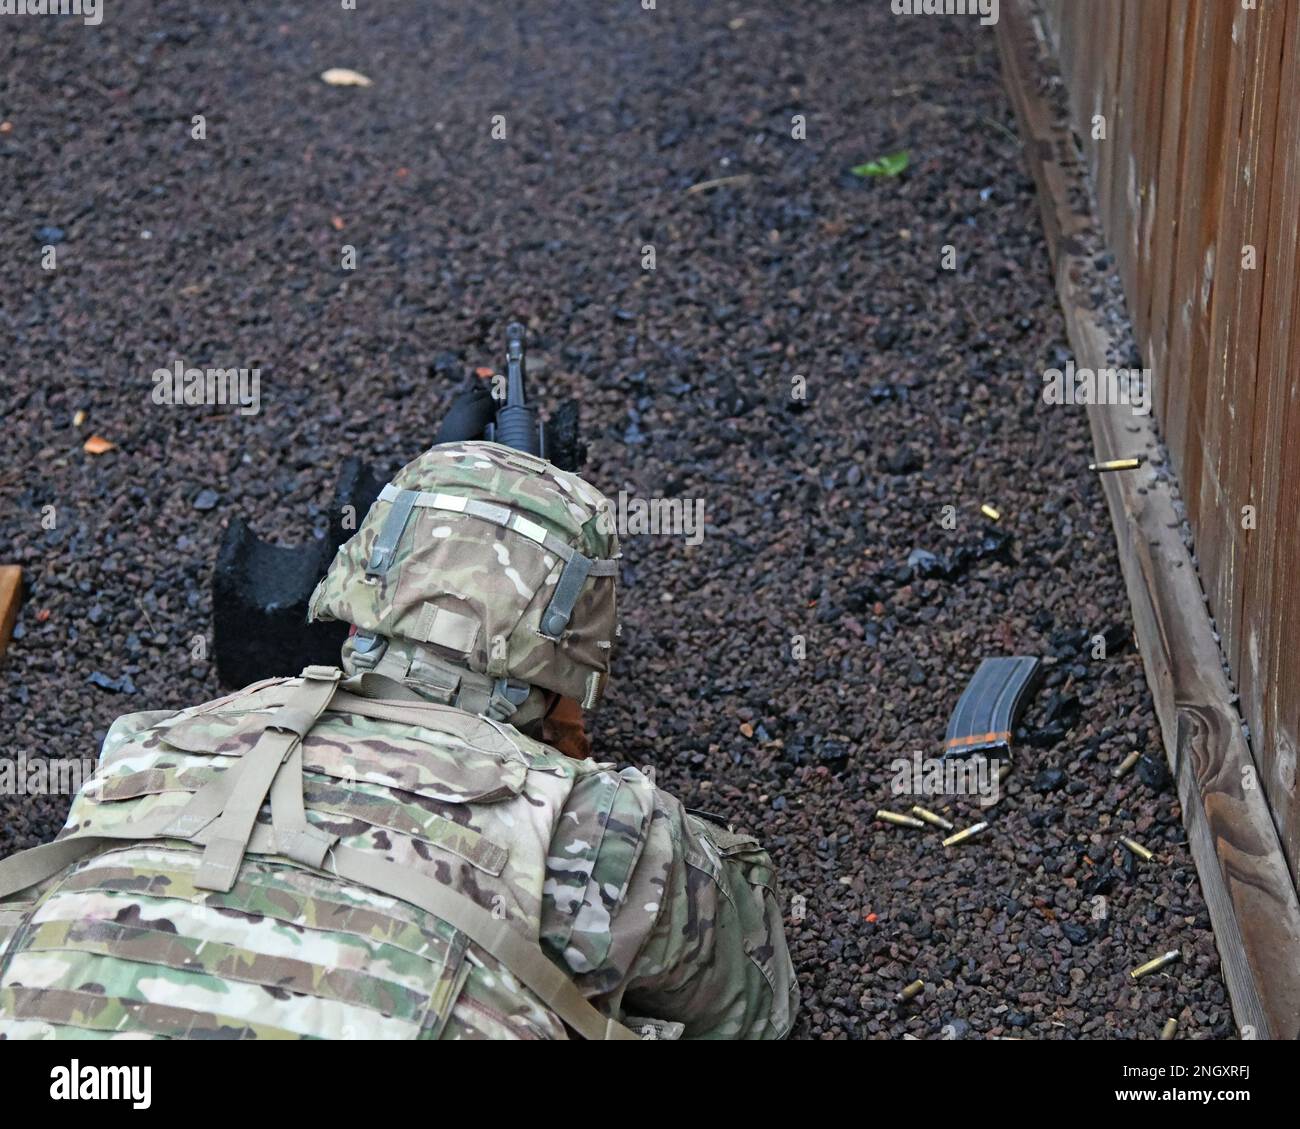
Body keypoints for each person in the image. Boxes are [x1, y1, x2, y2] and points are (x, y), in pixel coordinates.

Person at [0, 440, 798, 1040]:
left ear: (356, 601)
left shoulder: (148, 748)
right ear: (572, 667)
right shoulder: (601, 828)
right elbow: (752, 1008)